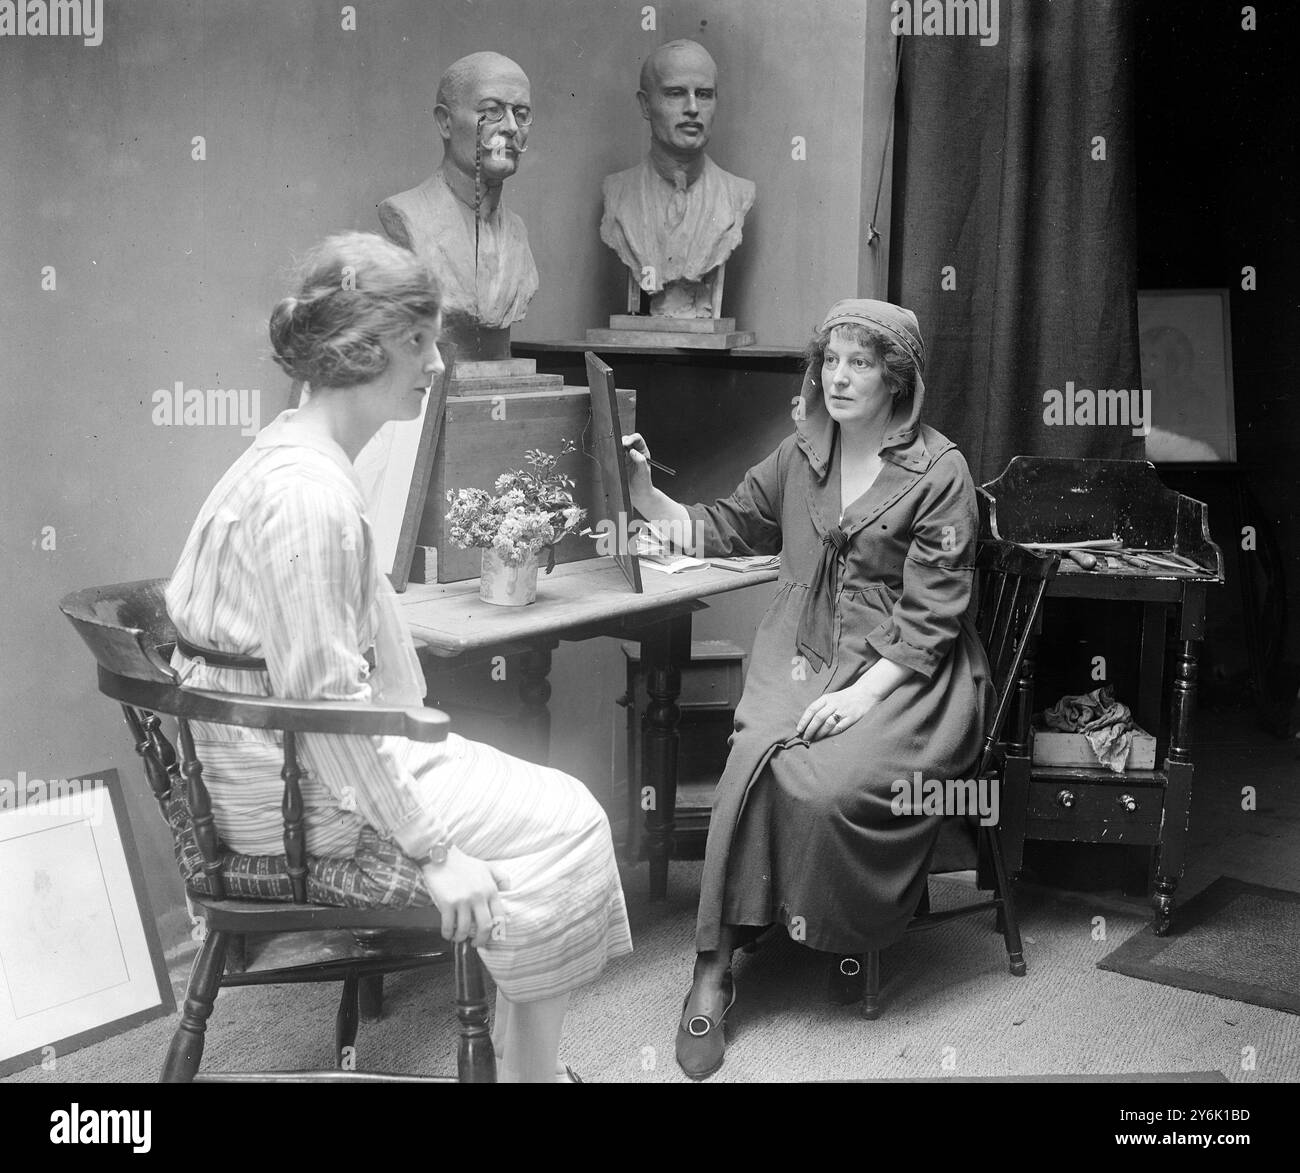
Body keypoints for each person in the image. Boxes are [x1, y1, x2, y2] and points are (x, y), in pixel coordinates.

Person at [166, 232, 631, 1083]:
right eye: (421, 340)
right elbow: (330, 708)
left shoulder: (291, 455)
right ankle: (532, 1077)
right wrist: (432, 850)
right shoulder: (308, 498)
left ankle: (531, 1066)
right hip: (297, 798)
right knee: (572, 824)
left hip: (283, 767)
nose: (438, 362)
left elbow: (324, 687)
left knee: (558, 804)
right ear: (364, 346)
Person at [623, 298, 992, 1079]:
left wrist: (862, 697)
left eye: (861, 362)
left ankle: (832, 930)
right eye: (831, 360)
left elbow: (932, 618)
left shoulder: (941, 471)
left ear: (898, 379)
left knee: (826, 785)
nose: (840, 376)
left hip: (908, 670)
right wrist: (646, 495)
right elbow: (727, 526)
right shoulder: (801, 453)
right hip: (801, 651)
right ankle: (715, 967)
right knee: (756, 757)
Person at [379, 52, 538, 358]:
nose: (511, 127)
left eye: (521, 113)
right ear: (445, 122)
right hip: (443, 381)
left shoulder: (517, 231)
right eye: (491, 111)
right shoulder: (409, 216)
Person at [600, 39, 755, 319]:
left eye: (705, 94)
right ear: (645, 105)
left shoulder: (737, 194)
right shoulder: (617, 192)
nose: (693, 108)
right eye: (675, 93)